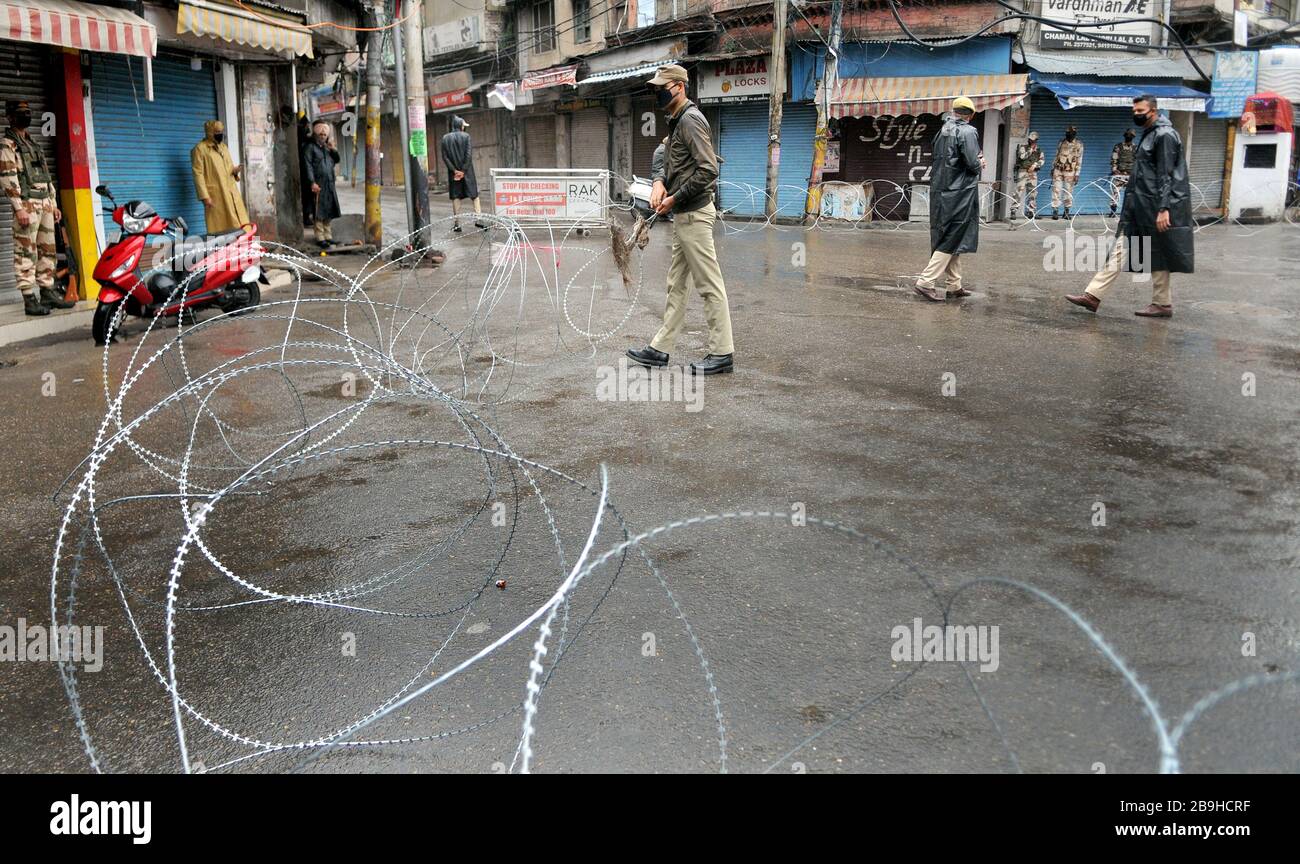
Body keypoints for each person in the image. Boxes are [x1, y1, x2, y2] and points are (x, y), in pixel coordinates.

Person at [626, 64, 734, 376]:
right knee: (677, 285)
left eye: (663, 87)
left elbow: (708, 169)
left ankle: (722, 352)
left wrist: (675, 197)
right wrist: (659, 182)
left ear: (679, 87)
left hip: (694, 214)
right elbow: (663, 154)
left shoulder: (690, 119)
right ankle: (660, 349)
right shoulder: (676, 122)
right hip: (684, 216)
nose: (658, 93)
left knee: (709, 284)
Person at [1066, 95, 1193, 318]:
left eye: (1140, 111)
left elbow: (1167, 175)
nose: (1136, 114)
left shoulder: (1164, 136)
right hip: (1140, 204)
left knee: (1155, 251)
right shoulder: (1151, 134)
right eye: (1134, 110)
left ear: (1153, 111)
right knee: (1124, 247)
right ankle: (1094, 295)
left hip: (1154, 205)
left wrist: (1164, 209)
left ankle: (1160, 303)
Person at [1, 100, 72, 316]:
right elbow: (7, 177)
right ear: (10, 117)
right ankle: (29, 298)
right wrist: (18, 208)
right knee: (26, 251)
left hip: (44, 204)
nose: (26, 116)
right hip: (27, 204)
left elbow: (46, 176)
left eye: (28, 112)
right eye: (21, 113)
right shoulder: (7, 145)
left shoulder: (33, 144)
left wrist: (53, 203)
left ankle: (47, 291)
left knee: (47, 249)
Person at [913, 96, 984, 302]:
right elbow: (972, 163)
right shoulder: (968, 131)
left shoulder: (941, 131)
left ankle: (954, 285)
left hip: (940, 191)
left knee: (952, 234)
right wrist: (980, 162)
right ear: (970, 115)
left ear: (954, 112)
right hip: (960, 192)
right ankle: (925, 282)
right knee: (952, 236)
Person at [190, 120, 248, 235]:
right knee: (222, 227)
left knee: (240, 221)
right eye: (217, 132)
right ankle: (224, 249)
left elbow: (229, 167)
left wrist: (235, 171)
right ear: (210, 132)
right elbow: (198, 174)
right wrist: (205, 196)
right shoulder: (200, 149)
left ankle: (244, 246)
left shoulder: (223, 147)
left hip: (231, 191)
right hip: (216, 194)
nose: (220, 134)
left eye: (221, 131)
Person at [439, 115, 484, 232]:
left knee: (456, 196)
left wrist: (455, 171)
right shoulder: (466, 136)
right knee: (474, 195)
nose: (464, 128)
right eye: (464, 126)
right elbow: (468, 155)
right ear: (460, 126)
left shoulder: (445, 138)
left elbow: (445, 157)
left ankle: (457, 224)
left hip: (453, 173)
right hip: (467, 172)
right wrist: (463, 171)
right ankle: (478, 219)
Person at [302, 120, 341, 248]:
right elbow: (307, 166)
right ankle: (320, 237)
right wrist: (312, 182)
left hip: (329, 183)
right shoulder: (310, 147)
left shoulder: (326, 148)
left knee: (328, 210)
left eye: (325, 133)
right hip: (318, 184)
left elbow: (337, 159)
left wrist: (333, 149)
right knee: (319, 211)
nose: (323, 135)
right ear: (315, 132)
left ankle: (328, 236)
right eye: (321, 133)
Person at [1051, 125, 1083, 219]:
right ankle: (1055, 211)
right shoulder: (1061, 142)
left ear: (1074, 134)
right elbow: (1056, 156)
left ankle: (1066, 212)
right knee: (1056, 190)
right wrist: (1053, 168)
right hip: (1058, 170)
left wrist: (1077, 174)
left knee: (1068, 192)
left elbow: (1079, 160)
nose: (1068, 135)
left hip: (1070, 172)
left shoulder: (1079, 144)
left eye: (1071, 133)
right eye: (1067, 133)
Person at [1010, 130, 1044, 220]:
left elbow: (1042, 160)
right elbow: (1022, 157)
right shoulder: (1023, 147)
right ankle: (1013, 211)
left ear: (1036, 140)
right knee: (1018, 192)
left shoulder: (1039, 150)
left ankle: (1031, 212)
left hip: (1033, 173)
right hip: (1023, 172)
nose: (1031, 142)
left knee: (1033, 193)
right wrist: (1031, 150)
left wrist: (1035, 165)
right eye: (1030, 140)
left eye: (1033, 140)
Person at [1108, 129, 1137, 217]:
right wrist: (1114, 170)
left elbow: (1138, 161)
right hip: (1119, 174)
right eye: (1127, 135)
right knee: (1115, 193)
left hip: (1131, 175)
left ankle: (1130, 213)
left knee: (1132, 194)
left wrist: (1136, 172)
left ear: (1133, 137)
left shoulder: (1136, 147)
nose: (1129, 137)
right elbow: (1114, 159)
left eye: (1131, 135)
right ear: (1125, 136)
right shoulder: (1118, 147)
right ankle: (1113, 211)